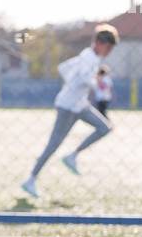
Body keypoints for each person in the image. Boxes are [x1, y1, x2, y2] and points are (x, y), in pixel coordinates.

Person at [20, 24, 118, 199]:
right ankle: (31, 179)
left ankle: (72, 156)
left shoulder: (91, 57)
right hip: (67, 105)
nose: (109, 51)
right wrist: (93, 82)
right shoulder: (88, 58)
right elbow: (81, 78)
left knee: (105, 127)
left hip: (80, 104)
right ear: (99, 43)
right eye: (108, 47)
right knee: (54, 144)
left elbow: (63, 68)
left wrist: (80, 80)